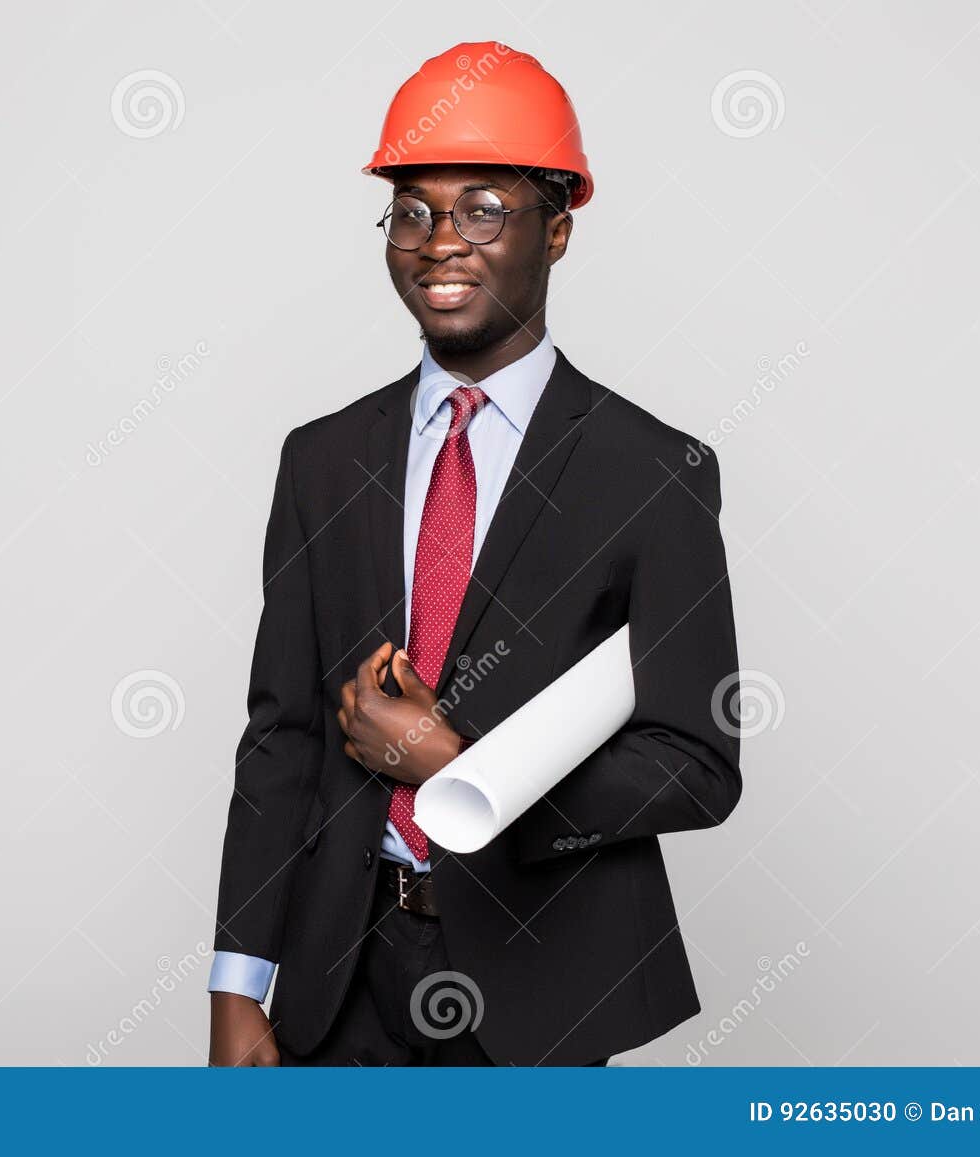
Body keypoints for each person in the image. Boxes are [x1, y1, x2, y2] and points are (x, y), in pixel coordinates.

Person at [207, 41, 743, 1067]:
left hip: (541, 994)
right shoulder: (321, 460)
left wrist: (457, 768)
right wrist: (239, 982)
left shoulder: (653, 471)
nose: (439, 241)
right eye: (412, 210)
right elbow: (279, 739)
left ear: (558, 230)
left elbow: (695, 762)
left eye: (483, 207)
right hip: (335, 982)